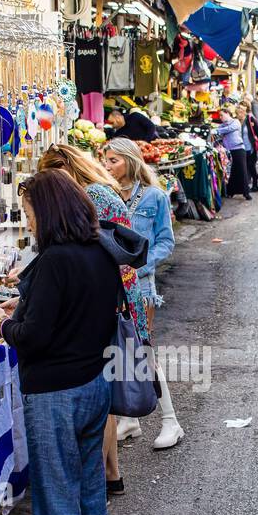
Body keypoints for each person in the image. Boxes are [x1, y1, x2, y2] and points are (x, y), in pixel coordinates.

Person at [0, 170, 145, 515]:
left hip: (56, 395)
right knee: (89, 491)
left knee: (56, 502)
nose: (27, 222)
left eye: (29, 214)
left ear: (46, 212)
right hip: (93, 386)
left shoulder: (53, 261)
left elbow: (34, 339)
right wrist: (23, 311)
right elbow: (74, 315)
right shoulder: (99, 251)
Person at [38, 143, 145, 495]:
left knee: (102, 391)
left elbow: (86, 252)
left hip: (112, 299)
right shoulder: (97, 191)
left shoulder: (92, 196)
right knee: (105, 394)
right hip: (115, 293)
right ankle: (111, 472)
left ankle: (100, 476)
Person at [101, 138, 184, 450]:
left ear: (130, 160)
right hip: (111, 286)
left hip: (141, 287)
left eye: (113, 160)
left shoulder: (155, 196)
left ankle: (170, 420)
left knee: (144, 351)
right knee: (119, 349)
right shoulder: (105, 196)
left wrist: (137, 265)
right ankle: (129, 420)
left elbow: (165, 241)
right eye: (105, 160)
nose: (107, 166)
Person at [215, 105, 252, 201]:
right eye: (219, 116)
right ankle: (231, 191)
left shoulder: (235, 122)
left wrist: (217, 130)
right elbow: (220, 133)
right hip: (229, 151)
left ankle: (246, 193)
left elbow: (229, 129)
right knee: (232, 172)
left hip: (239, 149)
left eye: (222, 115)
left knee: (242, 171)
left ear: (227, 113)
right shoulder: (222, 125)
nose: (220, 117)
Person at [242, 103, 258, 194]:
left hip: (251, 147)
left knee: (251, 167)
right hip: (243, 147)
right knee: (247, 167)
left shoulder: (250, 118)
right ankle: (247, 185)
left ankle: (255, 185)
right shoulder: (240, 120)